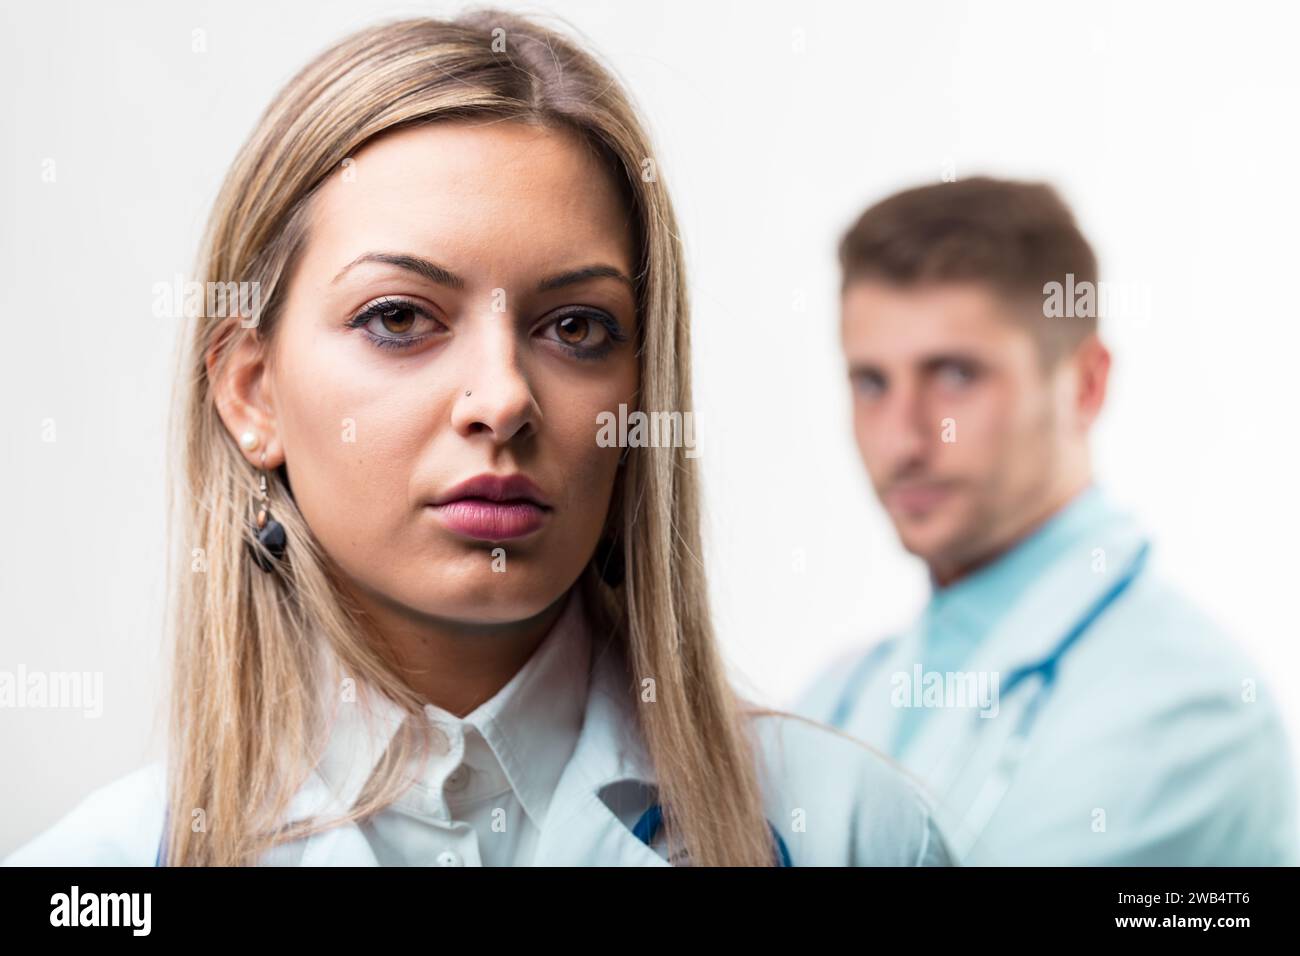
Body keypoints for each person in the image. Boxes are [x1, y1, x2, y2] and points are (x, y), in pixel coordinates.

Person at [3, 12, 951, 868]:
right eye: (400, 318)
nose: (501, 400)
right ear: (253, 394)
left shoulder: (856, 834)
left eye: (577, 327)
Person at [796, 176, 1298, 865]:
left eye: (955, 375)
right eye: (872, 383)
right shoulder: (842, 694)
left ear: (1085, 384)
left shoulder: (1192, 712)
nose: (903, 440)